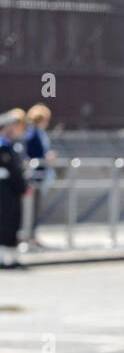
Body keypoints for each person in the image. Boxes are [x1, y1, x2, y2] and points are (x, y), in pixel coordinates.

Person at [1, 109, 30, 270]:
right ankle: (5, 259)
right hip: (4, 191)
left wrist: (23, 186)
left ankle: (11, 258)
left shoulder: (12, 146)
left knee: (13, 224)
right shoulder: (3, 146)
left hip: (13, 190)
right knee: (4, 224)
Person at [23, 104, 53, 249]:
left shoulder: (37, 133)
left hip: (40, 174)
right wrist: (45, 157)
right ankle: (29, 237)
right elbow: (32, 154)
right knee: (32, 208)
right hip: (35, 175)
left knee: (36, 208)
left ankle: (32, 236)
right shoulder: (33, 134)